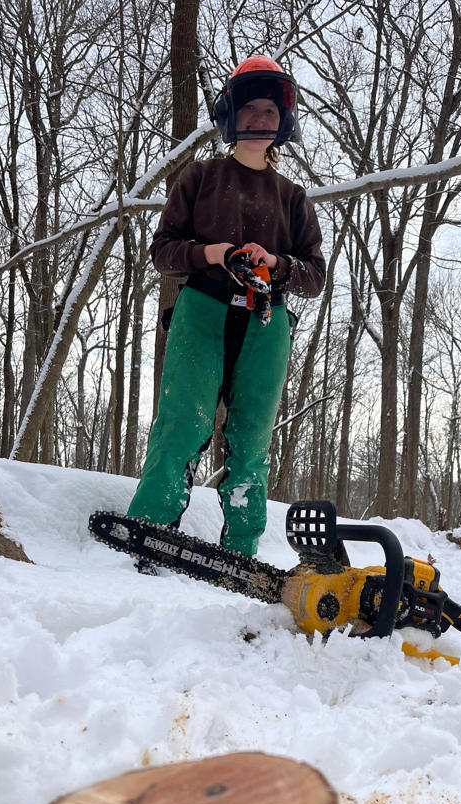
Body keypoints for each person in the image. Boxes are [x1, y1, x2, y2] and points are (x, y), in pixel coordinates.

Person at [126, 55, 326, 561]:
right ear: (231, 114)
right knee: (183, 422)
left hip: (267, 320)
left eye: (270, 111)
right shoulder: (199, 177)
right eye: (251, 108)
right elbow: (163, 253)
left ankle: (241, 551)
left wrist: (275, 262)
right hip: (203, 309)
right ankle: (149, 530)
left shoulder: (293, 197)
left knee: (252, 437)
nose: (261, 119)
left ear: (284, 122)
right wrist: (212, 253)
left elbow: (314, 276)